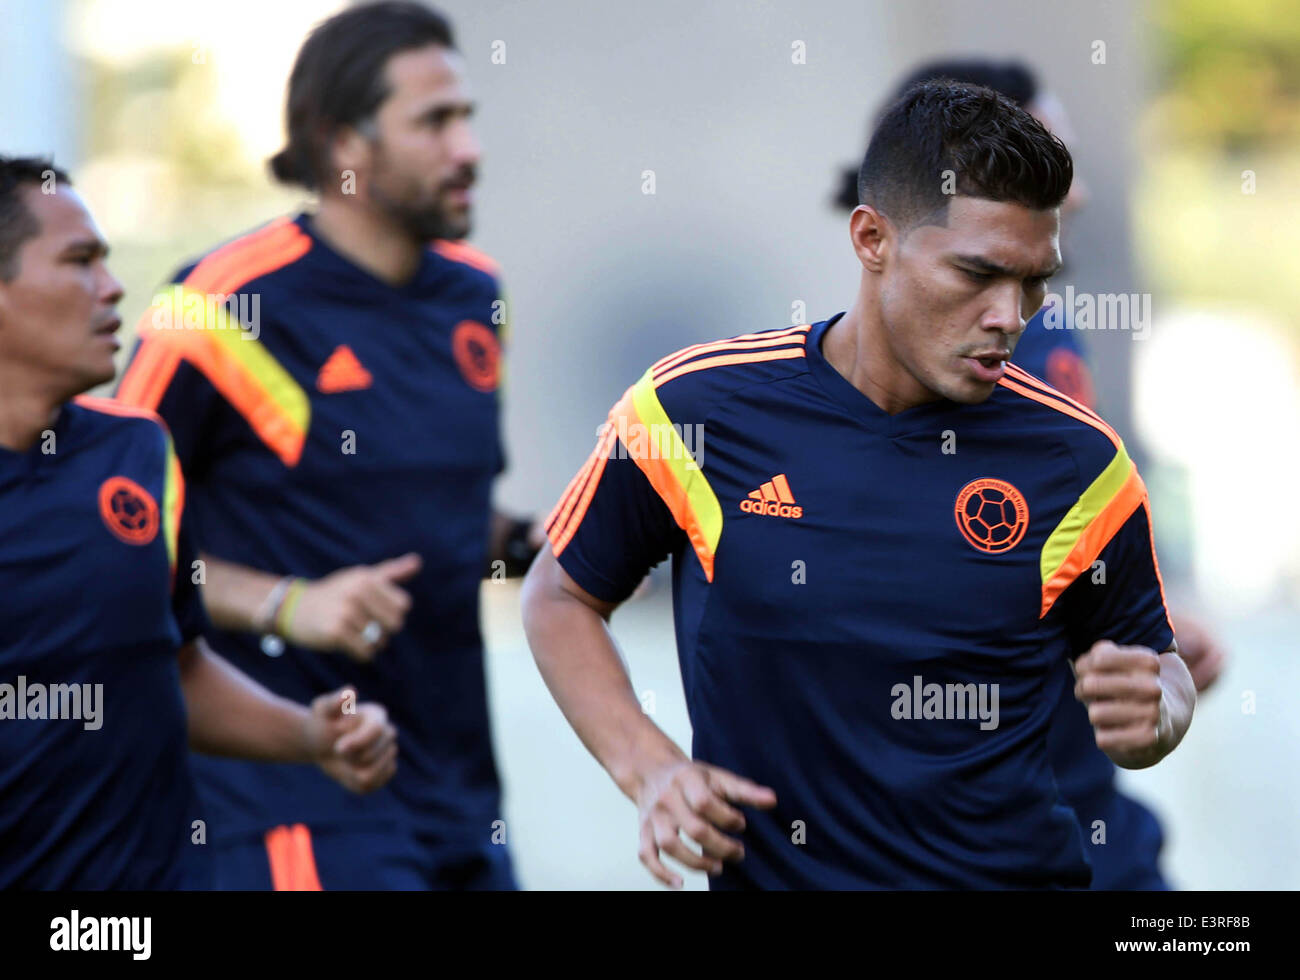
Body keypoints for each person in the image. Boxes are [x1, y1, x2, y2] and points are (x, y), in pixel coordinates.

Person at [521, 80, 1196, 889]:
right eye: (977, 274)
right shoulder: (692, 411)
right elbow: (560, 594)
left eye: (1033, 281)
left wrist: (1157, 711)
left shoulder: (1082, 461)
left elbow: (1160, 669)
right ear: (872, 238)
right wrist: (650, 767)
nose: (1009, 315)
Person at [115, 2, 534, 889]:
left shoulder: (477, 295)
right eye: (436, 121)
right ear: (344, 144)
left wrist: (549, 544)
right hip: (289, 795)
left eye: (467, 118)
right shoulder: (217, 304)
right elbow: (109, 536)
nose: (470, 150)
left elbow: (437, 514)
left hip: (461, 792)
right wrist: (282, 603)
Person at [834, 58, 1226, 889]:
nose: (1075, 190)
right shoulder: (859, 380)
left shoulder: (1043, 329)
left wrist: (1147, 639)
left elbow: (1079, 542)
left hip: (1092, 815)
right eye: (1052, 151)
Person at [0, 155, 396, 889]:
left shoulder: (136, 450)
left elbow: (171, 666)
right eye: (79, 261)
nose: (113, 288)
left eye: (108, 261)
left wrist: (309, 734)